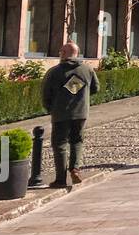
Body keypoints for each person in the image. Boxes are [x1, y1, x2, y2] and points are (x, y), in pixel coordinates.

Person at [40, 41, 98, 189]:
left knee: (59, 144)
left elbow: (46, 94)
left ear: (65, 54)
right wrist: (82, 98)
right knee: (77, 141)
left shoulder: (54, 72)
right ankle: (75, 169)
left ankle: (60, 179)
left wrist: (50, 108)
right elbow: (96, 88)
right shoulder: (87, 70)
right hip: (81, 113)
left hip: (60, 113)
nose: (59, 54)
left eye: (61, 52)